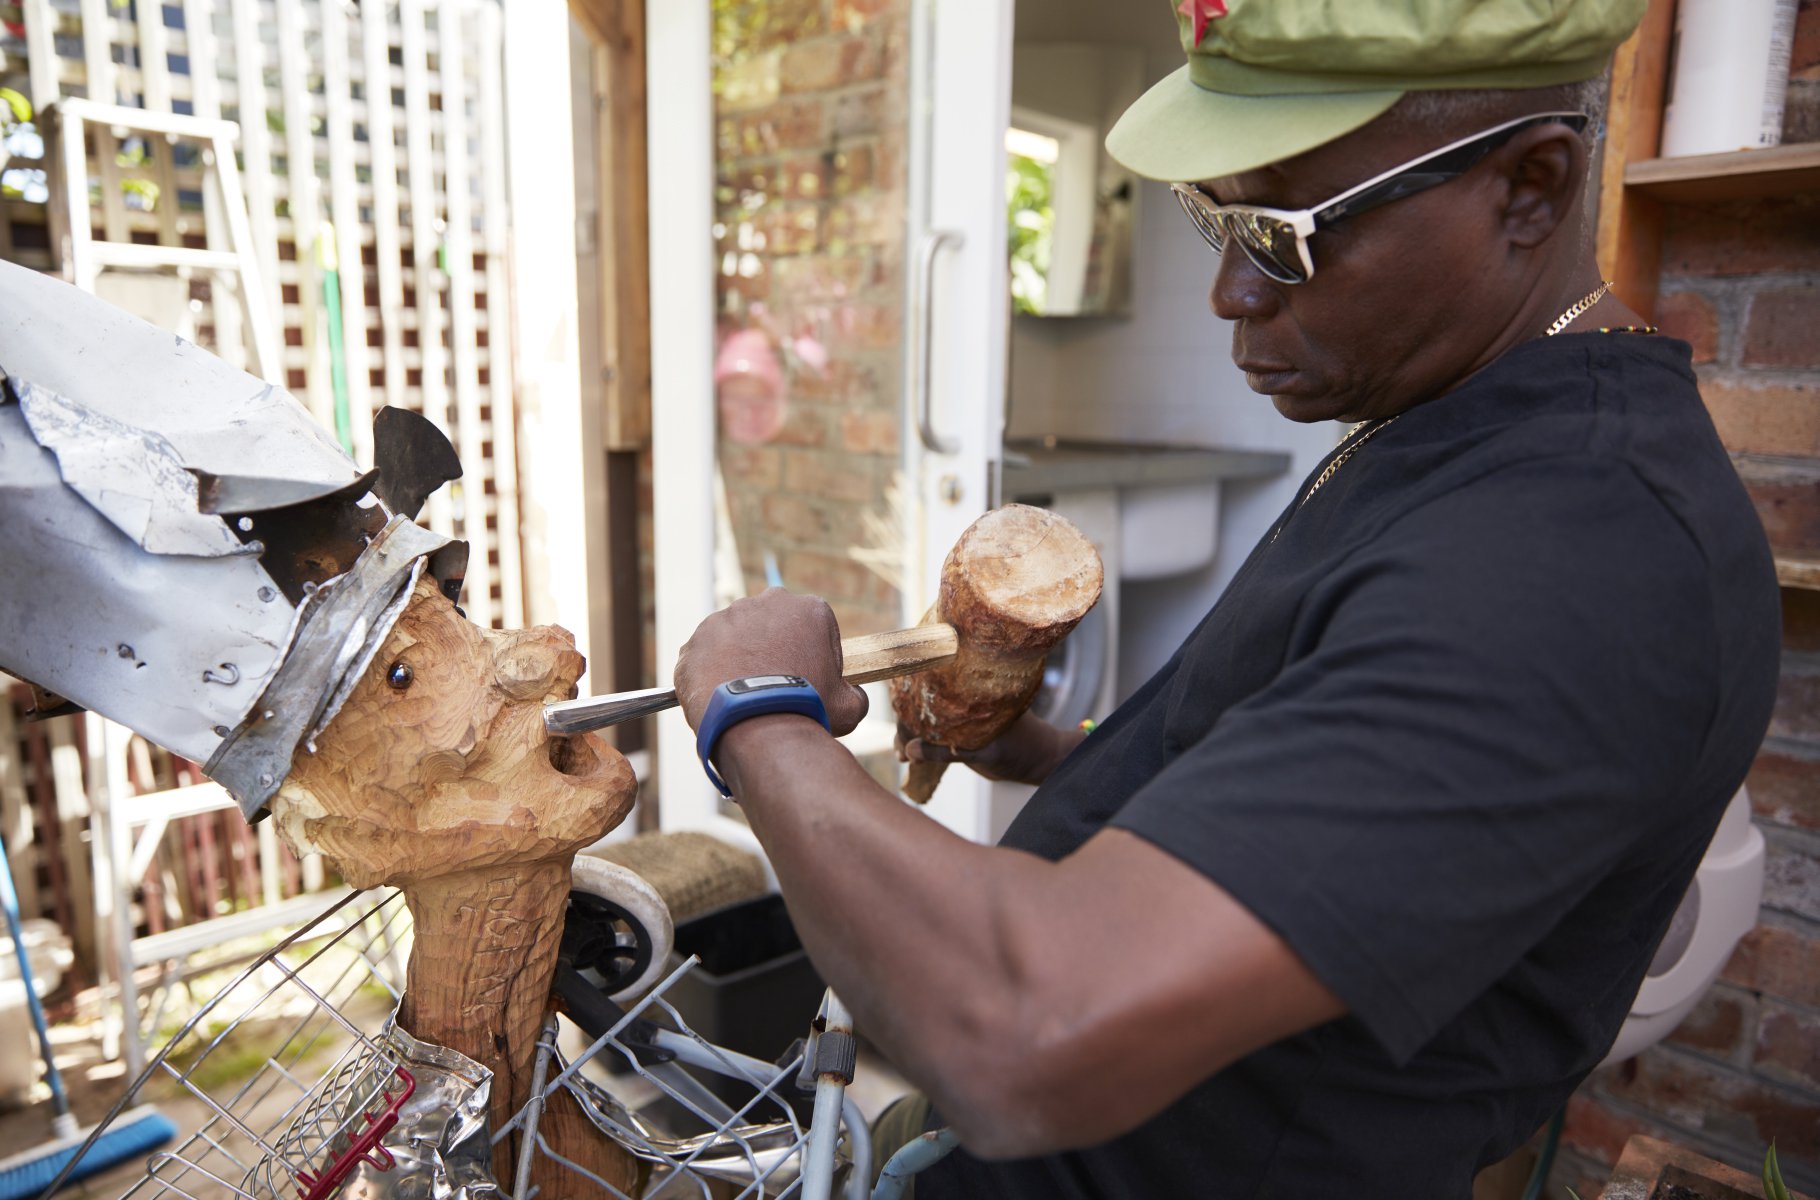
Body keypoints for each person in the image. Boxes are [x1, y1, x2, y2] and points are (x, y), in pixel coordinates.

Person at [670, 0, 1782, 1193]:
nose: (1227, 294)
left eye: (1282, 235)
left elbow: (1026, 1029)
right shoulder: (1452, 426)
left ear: (1529, 186)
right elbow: (1339, 799)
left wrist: (761, 718)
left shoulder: (1575, 558)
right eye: (1213, 217)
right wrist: (1072, 756)